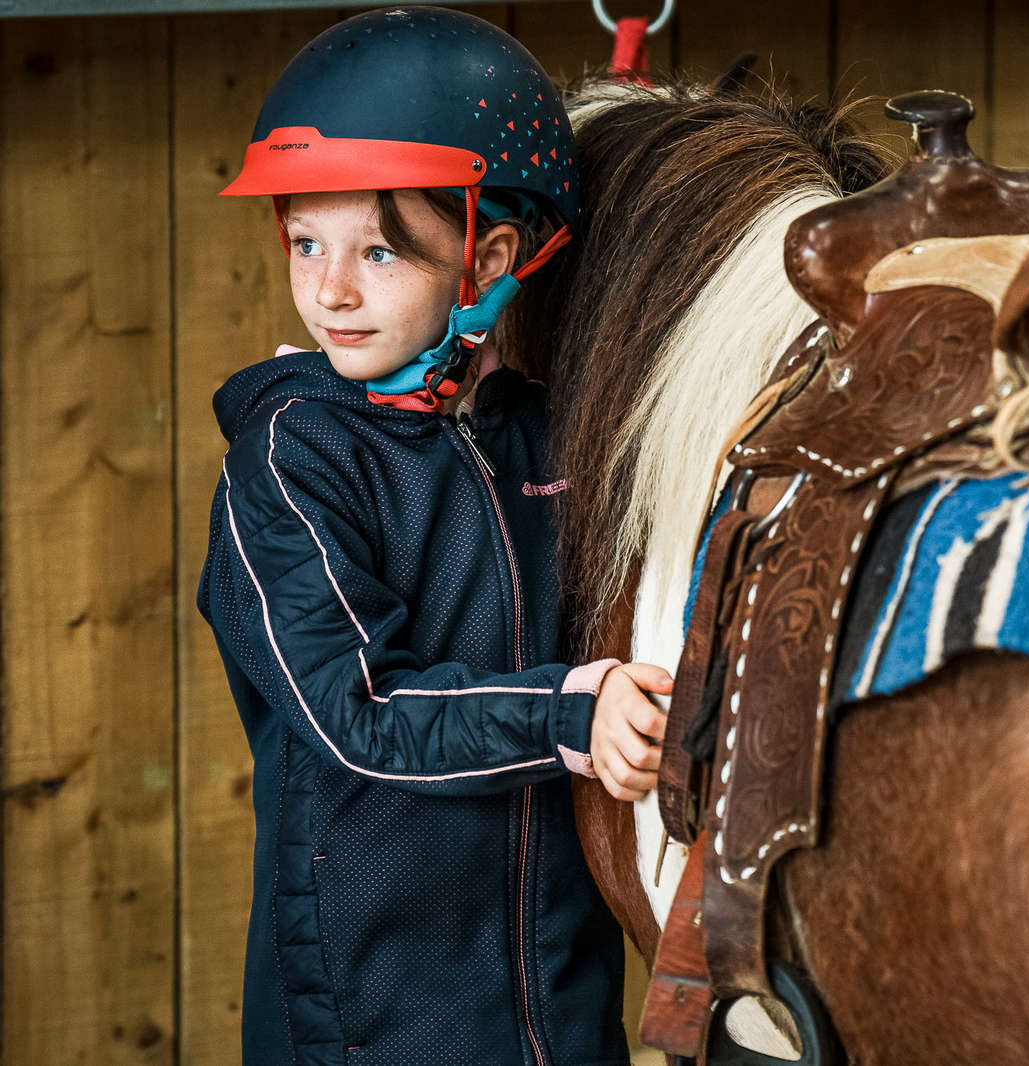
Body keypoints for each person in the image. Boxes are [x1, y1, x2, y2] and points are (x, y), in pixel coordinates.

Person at [197, 9, 666, 1064]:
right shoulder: (290, 461)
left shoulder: (548, 435)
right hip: (370, 1011)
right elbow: (357, 711)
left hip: (560, 991)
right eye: (307, 243)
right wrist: (567, 714)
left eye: (377, 250)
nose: (331, 289)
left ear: (489, 256)